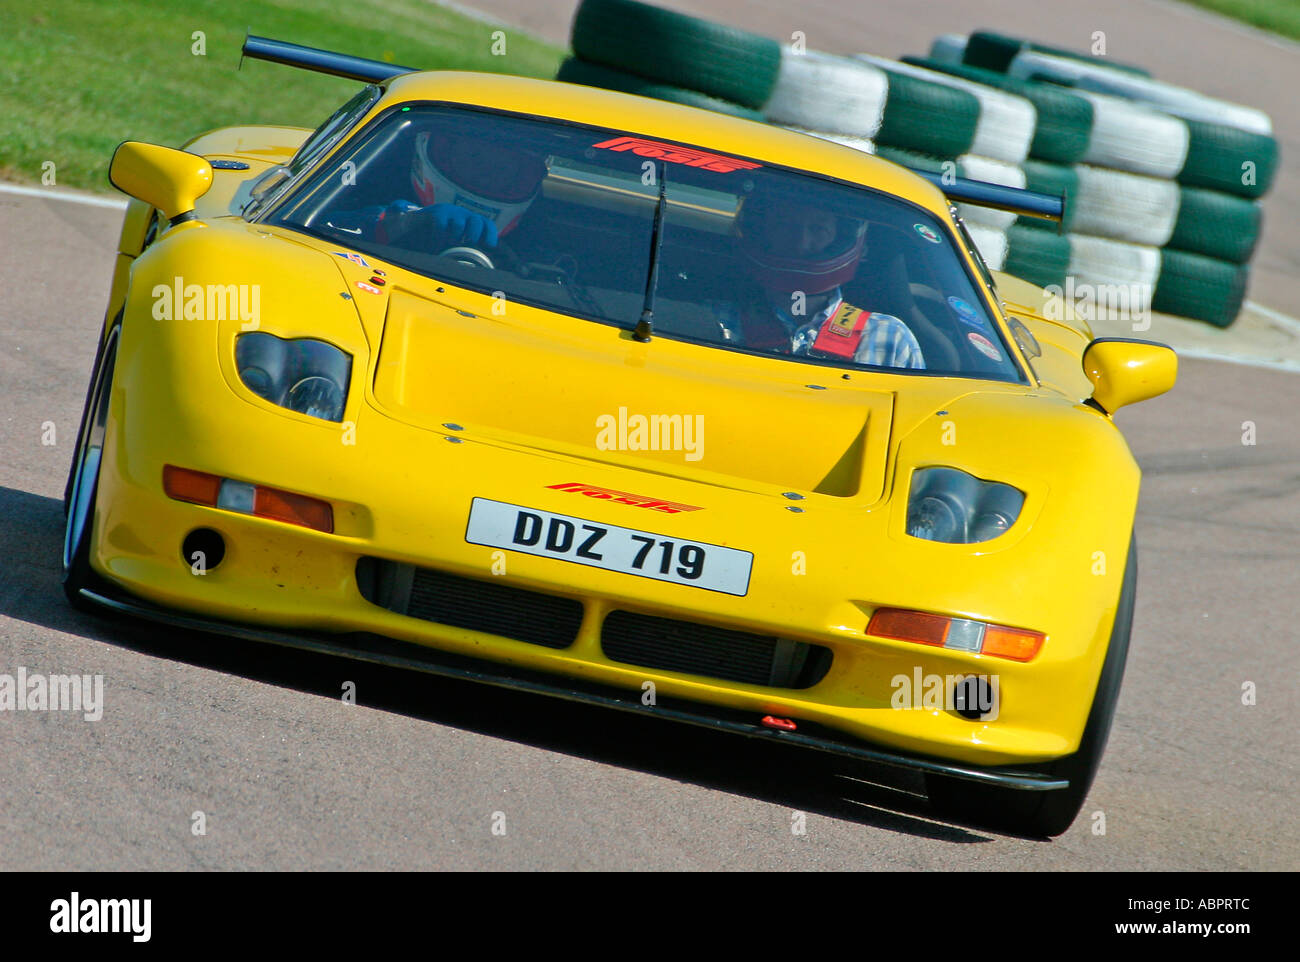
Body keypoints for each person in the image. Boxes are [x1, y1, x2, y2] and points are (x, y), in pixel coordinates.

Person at [716, 194, 925, 369]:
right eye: (785, 225)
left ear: (841, 239)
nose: (801, 243)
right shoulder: (715, 324)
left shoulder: (890, 339)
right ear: (763, 234)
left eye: (818, 229)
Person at [322, 128, 548, 251]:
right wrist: (397, 222)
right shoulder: (364, 183)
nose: (484, 174)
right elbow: (313, 227)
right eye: (473, 157)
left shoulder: (538, 245)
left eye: (502, 168)